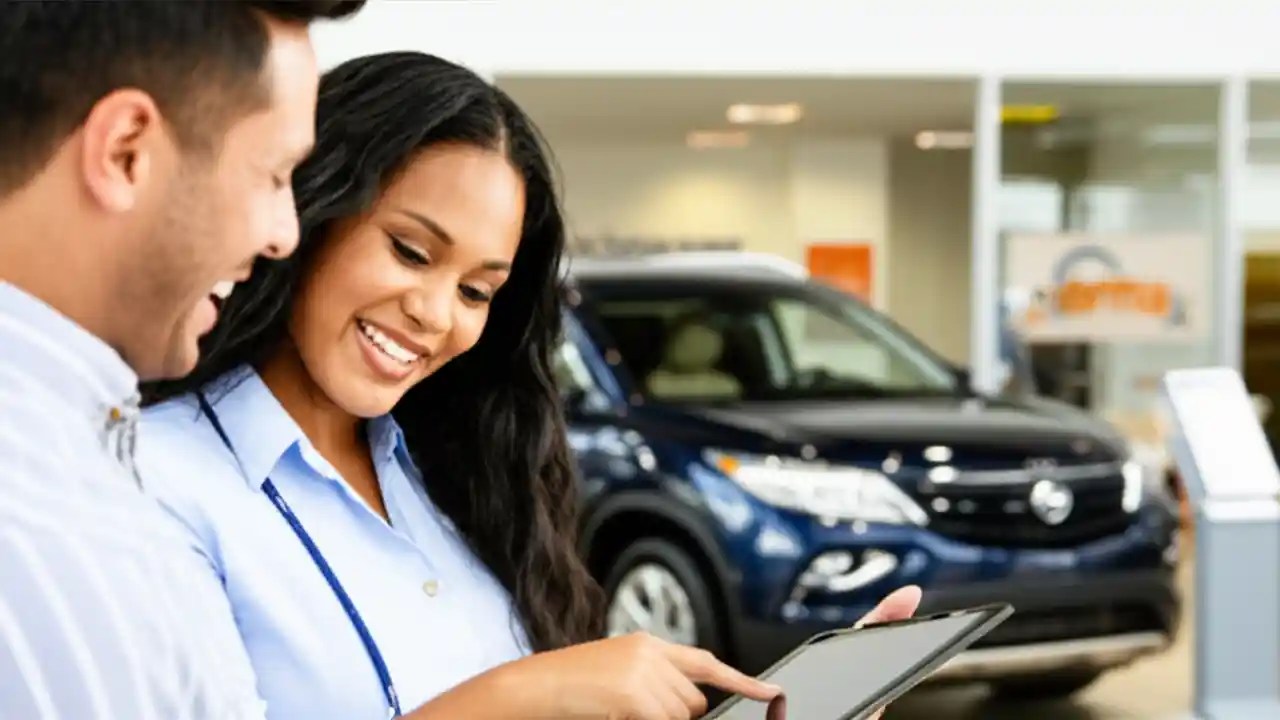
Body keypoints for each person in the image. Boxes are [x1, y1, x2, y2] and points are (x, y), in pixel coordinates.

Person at [137, 51, 922, 720]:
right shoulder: (156, 481)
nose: (435, 315)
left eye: (478, 292)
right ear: (310, 213)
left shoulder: (453, 478)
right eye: (411, 251)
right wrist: (524, 691)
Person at [0, 1, 364, 718]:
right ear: (125, 152)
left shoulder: (83, 465)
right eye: (274, 175)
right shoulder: (42, 535)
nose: (285, 234)